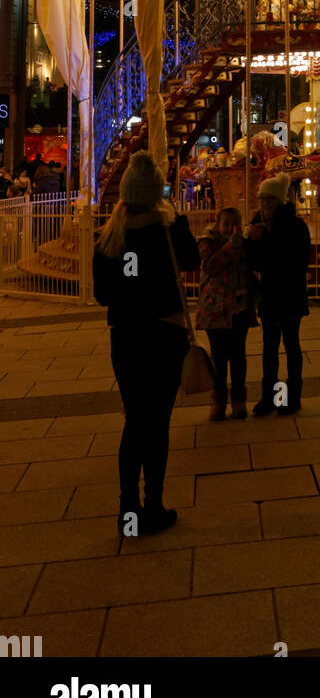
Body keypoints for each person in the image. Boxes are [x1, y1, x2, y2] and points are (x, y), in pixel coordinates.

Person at [93, 151, 200, 536]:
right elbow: (192, 261)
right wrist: (179, 219)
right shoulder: (169, 231)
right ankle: (152, 505)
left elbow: (102, 295)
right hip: (164, 334)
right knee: (157, 423)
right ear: (158, 194)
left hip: (125, 337)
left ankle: (129, 512)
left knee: (134, 422)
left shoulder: (108, 239)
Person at [246, 174, 311, 416]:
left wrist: (266, 243)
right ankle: (269, 397)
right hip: (269, 294)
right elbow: (252, 259)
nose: (263, 204)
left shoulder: (294, 226)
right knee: (269, 347)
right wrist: (251, 243)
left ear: (280, 201)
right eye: (261, 199)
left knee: (291, 344)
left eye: (269, 200)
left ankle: (291, 397)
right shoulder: (256, 224)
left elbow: (297, 260)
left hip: (290, 292)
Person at [196, 207, 256, 421]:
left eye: (234, 224)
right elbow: (210, 266)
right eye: (227, 224)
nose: (231, 228)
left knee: (238, 355)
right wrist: (232, 247)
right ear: (218, 224)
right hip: (216, 307)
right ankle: (218, 400)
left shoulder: (242, 242)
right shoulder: (208, 242)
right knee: (219, 357)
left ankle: (239, 400)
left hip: (238, 306)